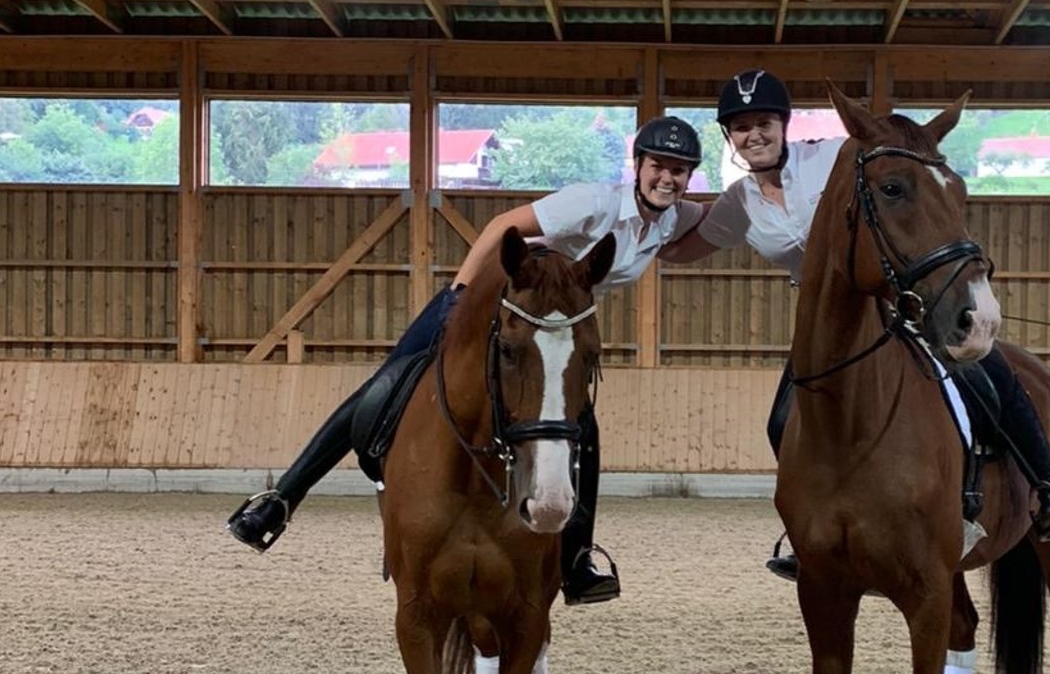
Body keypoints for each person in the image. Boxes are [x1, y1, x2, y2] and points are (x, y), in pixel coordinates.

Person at [226, 116, 706, 604]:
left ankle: (576, 560)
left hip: (550, 327)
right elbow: (504, 227)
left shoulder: (671, 220)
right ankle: (282, 499)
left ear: (690, 178)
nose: (667, 178)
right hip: (490, 293)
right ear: (638, 166)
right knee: (391, 381)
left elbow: (701, 233)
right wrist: (458, 292)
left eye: (679, 170)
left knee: (582, 423)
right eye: (658, 166)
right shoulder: (595, 201)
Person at [659, 69, 1050, 573]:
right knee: (781, 422)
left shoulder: (834, 157)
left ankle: (1047, 488)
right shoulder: (738, 203)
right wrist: (647, 217)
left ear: (783, 124)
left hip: (889, 303)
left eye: (764, 122)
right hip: (822, 327)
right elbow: (685, 247)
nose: (755, 134)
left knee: (988, 374)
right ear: (729, 137)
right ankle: (809, 526)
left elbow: (901, 168)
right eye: (742, 126)